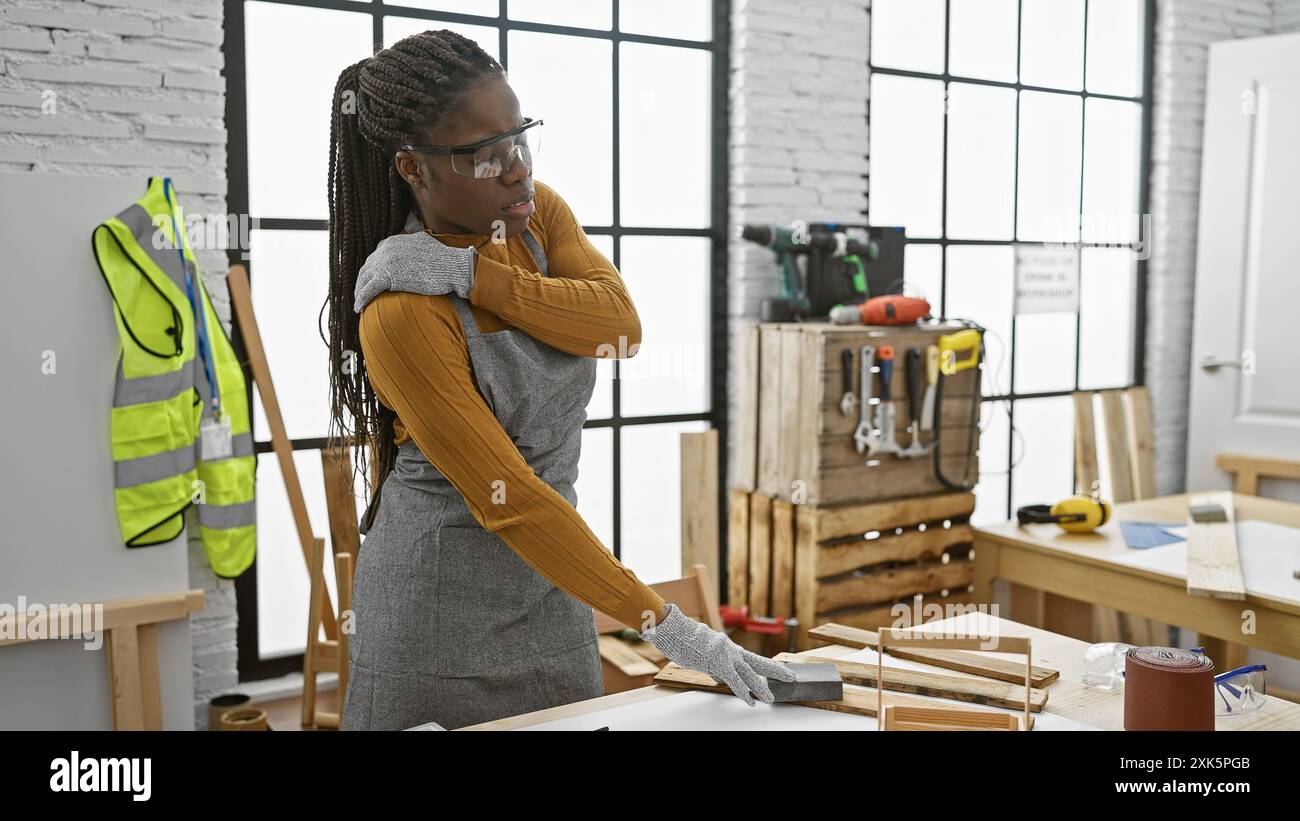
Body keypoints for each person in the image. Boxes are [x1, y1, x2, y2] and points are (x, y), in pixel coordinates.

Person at [325, 29, 794, 731]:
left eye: (519, 137)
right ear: (413, 169)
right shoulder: (399, 314)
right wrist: (670, 626)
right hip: (438, 619)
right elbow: (507, 499)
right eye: (485, 154)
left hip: (551, 589)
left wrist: (473, 274)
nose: (515, 168)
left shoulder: (534, 216)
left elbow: (620, 328)